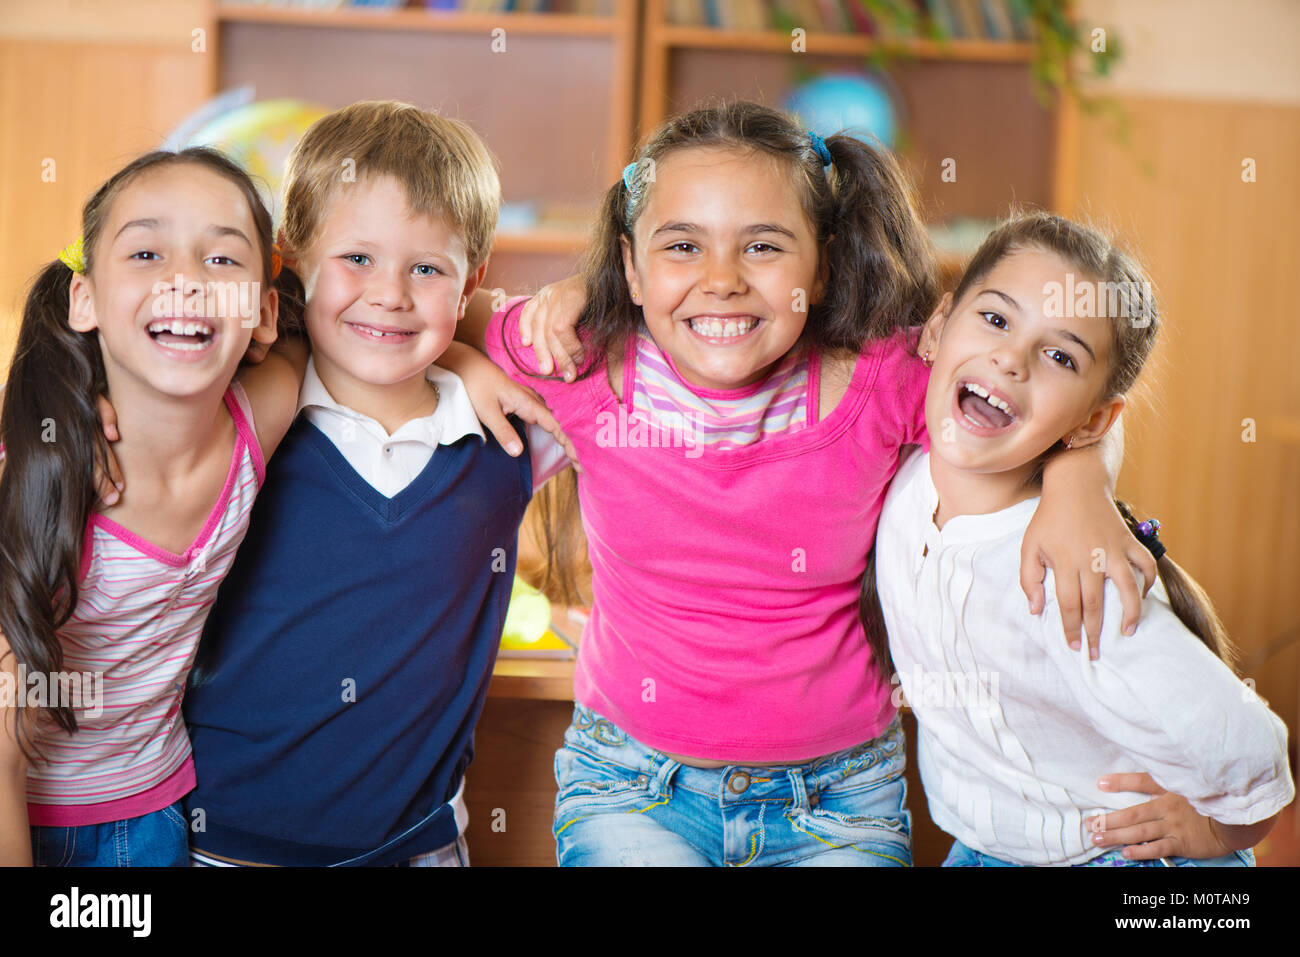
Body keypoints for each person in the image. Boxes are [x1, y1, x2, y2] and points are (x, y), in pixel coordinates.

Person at [455, 101, 1157, 865]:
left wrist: (1081, 485)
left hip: (839, 797)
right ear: (630, 265)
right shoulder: (579, 358)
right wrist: (474, 350)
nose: (721, 281)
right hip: (630, 785)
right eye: (682, 245)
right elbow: (427, 312)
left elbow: (1046, 407)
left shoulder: (884, 377)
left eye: (762, 246)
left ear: (821, 267)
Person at [180, 100, 574, 867]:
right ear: (290, 260)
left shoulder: (510, 430)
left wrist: (491, 339)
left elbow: (639, 346)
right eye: (357, 259)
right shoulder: (246, 417)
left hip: (416, 846)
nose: (390, 293)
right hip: (222, 846)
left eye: (427, 268)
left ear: (471, 285)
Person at [871, 211, 1294, 866]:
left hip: (1115, 855)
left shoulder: (1068, 578)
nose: (1011, 358)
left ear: (1093, 419)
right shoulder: (896, 468)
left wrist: (1220, 831)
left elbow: (1250, 745)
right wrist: (1083, 478)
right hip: (987, 846)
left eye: (1060, 355)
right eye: (996, 319)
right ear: (937, 326)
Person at [0, 147, 305, 866]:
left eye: (223, 260)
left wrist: (477, 359)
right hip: (32, 826)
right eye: (145, 252)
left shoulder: (257, 419)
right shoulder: (41, 484)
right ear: (85, 300)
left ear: (262, 312)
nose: (183, 280)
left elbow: (354, 314)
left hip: (161, 813)